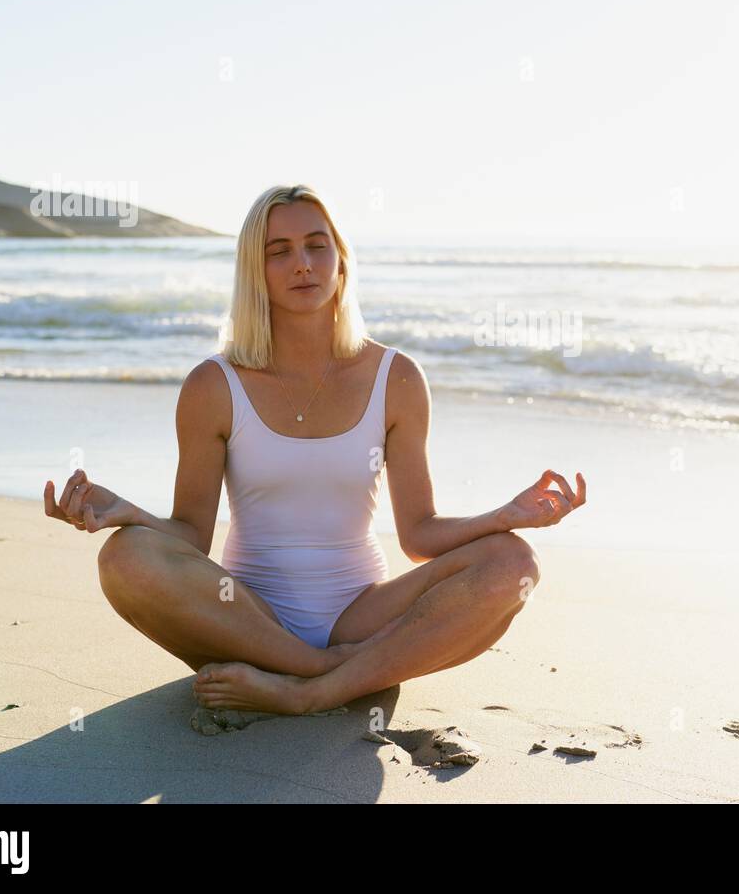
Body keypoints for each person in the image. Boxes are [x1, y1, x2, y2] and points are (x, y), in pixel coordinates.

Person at [41, 184, 586, 718]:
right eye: (279, 251)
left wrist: (505, 516)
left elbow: (420, 535)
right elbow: (190, 537)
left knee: (512, 561)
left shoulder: (395, 377)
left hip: (361, 614)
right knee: (124, 557)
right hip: (243, 616)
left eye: (316, 245)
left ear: (341, 261)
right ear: (255, 271)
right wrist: (128, 514)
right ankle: (330, 671)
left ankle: (309, 692)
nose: (302, 263)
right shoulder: (214, 385)